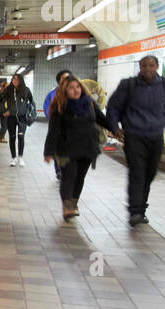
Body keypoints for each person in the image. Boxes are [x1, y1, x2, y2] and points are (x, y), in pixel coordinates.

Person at [106, 54, 165, 226]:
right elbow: (113, 106)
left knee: (150, 173)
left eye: (151, 65)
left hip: (155, 136)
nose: (148, 69)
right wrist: (115, 127)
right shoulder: (128, 85)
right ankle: (135, 211)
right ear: (139, 67)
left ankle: (141, 209)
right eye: (144, 65)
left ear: (157, 67)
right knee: (137, 172)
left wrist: (161, 121)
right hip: (134, 135)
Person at [43, 77, 119, 220]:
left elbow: (101, 119)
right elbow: (53, 131)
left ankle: (73, 203)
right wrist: (48, 151)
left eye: (78, 86)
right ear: (65, 90)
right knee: (69, 176)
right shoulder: (59, 107)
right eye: (72, 87)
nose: (76, 89)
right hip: (66, 148)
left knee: (79, 177)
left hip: (87, 147)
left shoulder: (89, 103)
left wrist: (115, 130)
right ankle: (67, 206)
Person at [42, 69, 73, 181]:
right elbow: (46, 106)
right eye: (63, 78)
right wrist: (51, 118)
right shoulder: (52, 93)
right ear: (59, 80)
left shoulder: (76, 92)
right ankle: (59, 170)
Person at [1, 74, 34, 166]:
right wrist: (4, 110)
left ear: (20, 80)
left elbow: (31, 102)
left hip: (22, 118)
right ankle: (13, 158)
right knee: (12, 137)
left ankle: (20, 157)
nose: (14, 81)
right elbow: (1, 101)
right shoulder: (8, 90)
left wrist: (29, 112)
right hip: (11, 118)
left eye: (16, 79)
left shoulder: (26, 90)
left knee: (21, 136)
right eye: (13, 79)